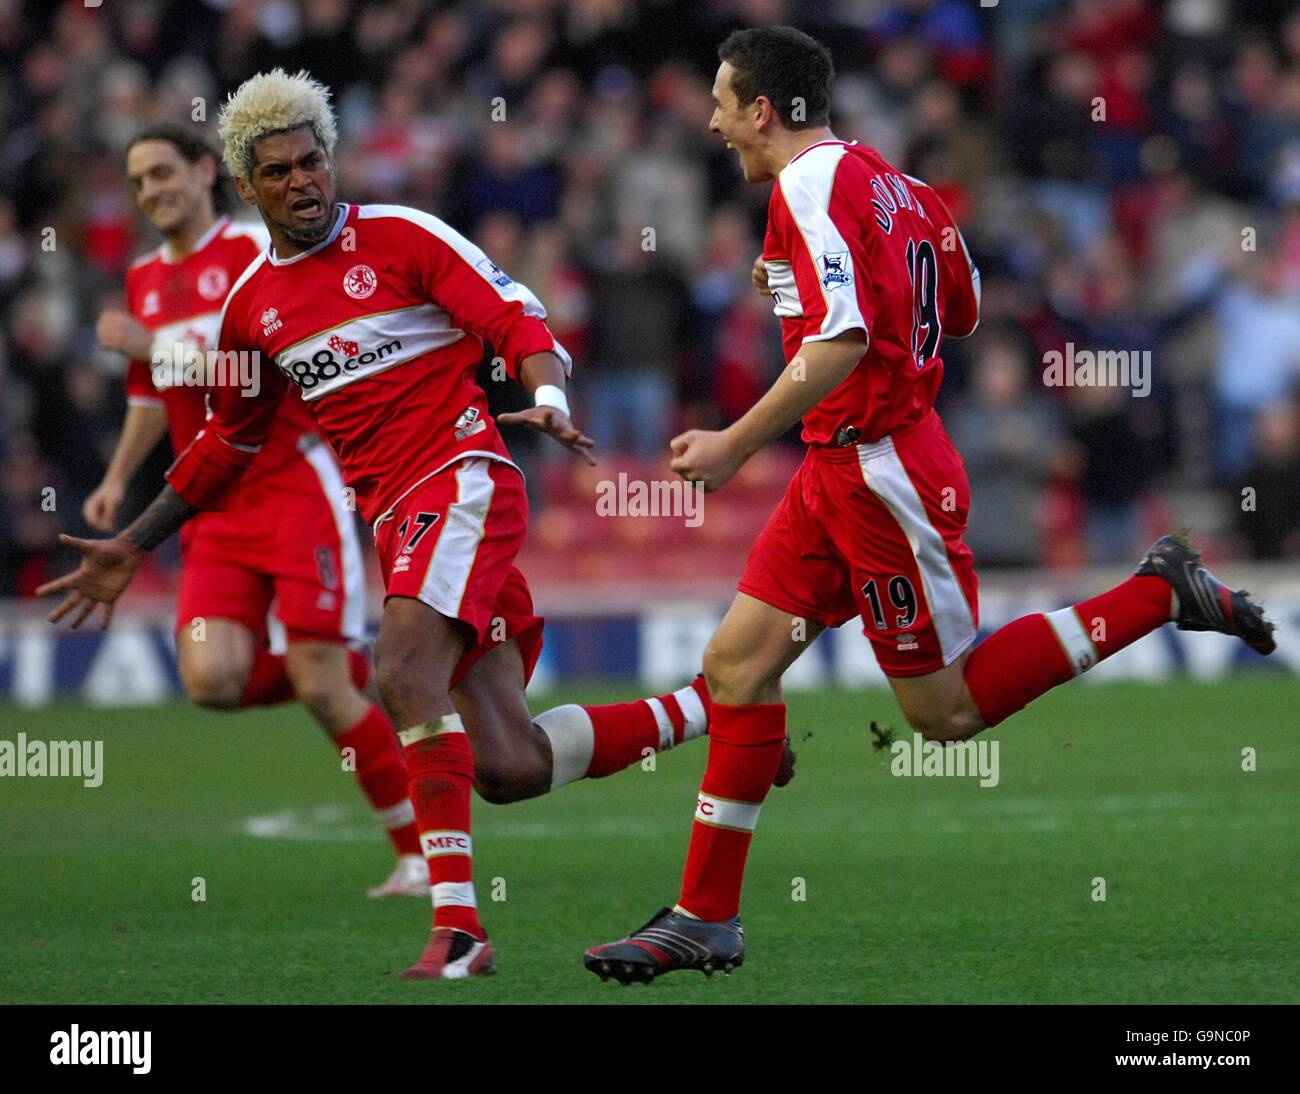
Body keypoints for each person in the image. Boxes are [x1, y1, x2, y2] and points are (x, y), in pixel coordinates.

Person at [37, 71, 790, 981]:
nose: (304, 182)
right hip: (398, 523)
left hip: (464, 480)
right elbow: (228, 444)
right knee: (510, 766)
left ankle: (460, 932)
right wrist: (133, 543)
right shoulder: (252, 311)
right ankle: (722, 710)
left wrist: (546, 394)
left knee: (400, 669)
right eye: (278, 172)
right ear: (247, 186)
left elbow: (515, 318)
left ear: (332, 156)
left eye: (313, 160)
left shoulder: (400, 236)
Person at [583, 26, 1276, 984]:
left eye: (721, 100)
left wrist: (733, 444)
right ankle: (705, 917)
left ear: (764, 111)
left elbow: (841, 343)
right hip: (839, 469)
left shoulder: (806, 186)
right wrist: (790, 280)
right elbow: (961, 306)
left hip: (884, 475)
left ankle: (1156, 594)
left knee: (943, 716)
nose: (710, 120)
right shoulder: (892, 182)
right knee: (736, 666)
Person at [87, 121, 425, 901]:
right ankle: (335, 666)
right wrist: (116, 478)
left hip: (290, 489)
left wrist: (151, 345)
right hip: (206, 506)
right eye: (139, 181)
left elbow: (257, 366)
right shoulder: (143, 277)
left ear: (208, 170)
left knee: (317, 685)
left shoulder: (252, 252)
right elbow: (150, 394)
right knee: (211, 680)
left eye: (164, 171)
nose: (153, 191)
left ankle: (416, 854)